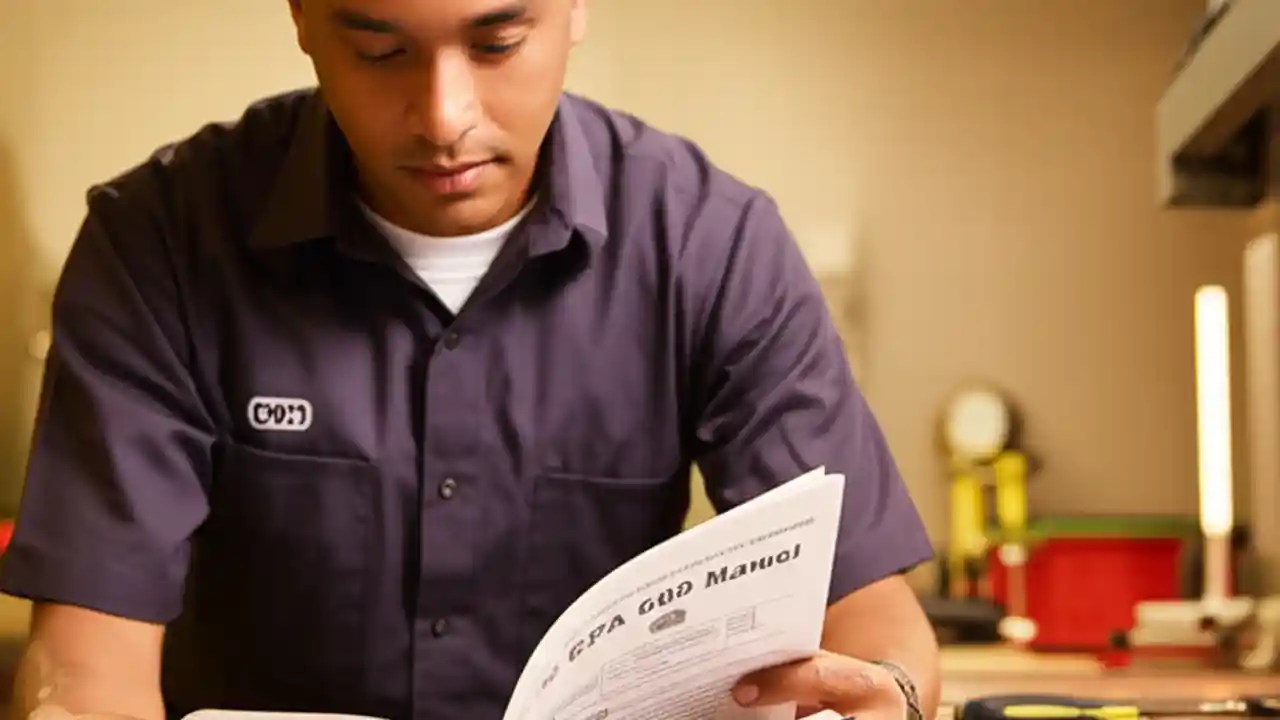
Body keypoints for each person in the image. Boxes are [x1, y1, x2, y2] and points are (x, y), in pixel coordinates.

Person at [0, 1, 941, 719]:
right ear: (300, 16)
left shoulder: (710, 244)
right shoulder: (160, 242)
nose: (444, 117)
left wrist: (887, 692)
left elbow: (869, 612)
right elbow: (86, 662)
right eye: (379, 50)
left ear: (574, 9)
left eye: (496, 45)